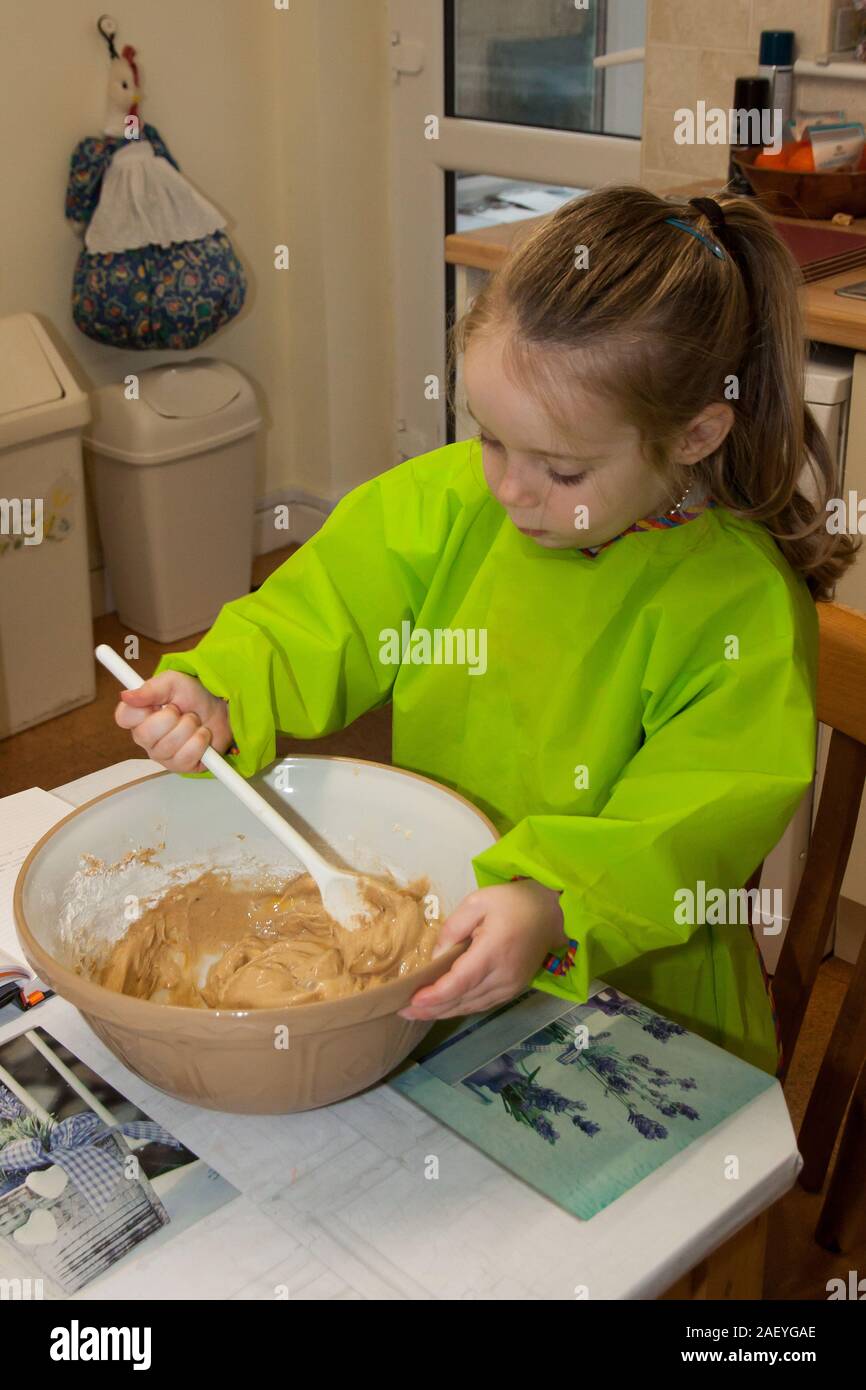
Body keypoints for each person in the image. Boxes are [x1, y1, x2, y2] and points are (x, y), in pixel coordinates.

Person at [115, 186, 858, 1075]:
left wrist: (555, 902)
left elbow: (685, 823)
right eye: (491, 439)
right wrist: (225, 685)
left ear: (695, 434)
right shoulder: (447, 502)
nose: (509, 490)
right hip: (445, 948)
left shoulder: (740, 611)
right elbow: (323, 610)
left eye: (562, 467)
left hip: (636, 993)